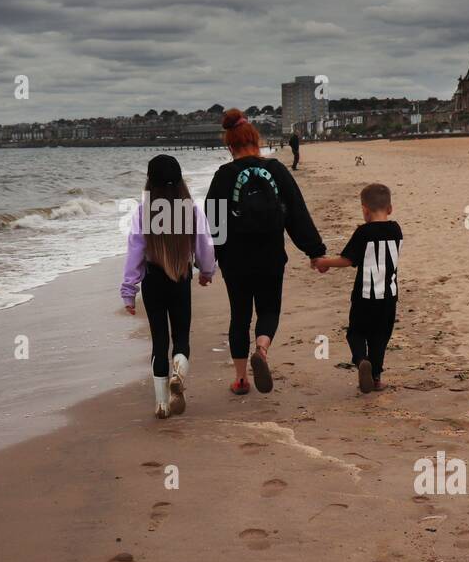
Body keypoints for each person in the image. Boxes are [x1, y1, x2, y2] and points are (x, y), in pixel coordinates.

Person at [205, 109, 325, 396]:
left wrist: (211, 261)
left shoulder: (223, 176)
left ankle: (241, 379)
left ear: (229, 145)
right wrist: (314, 251)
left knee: (240, 316)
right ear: (255, 140)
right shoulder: (276, 170)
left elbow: (213, 222)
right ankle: (262, 348)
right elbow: (297, 212)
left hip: (236, 261)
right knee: (269, 309)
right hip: (271, 256)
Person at [120, 154, 217, 419]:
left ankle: (162, 404)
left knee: (159, 341)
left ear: (150, 181)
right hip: (181, 279)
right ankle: (179, 371)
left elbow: (134, 252)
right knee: (181, 338)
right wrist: (206, 271)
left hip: (153, 280)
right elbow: (205, 245)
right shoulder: (191, 209)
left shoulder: (143, 211)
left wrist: (129, 291)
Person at [312, 183, 403, 394]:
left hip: (364, 296)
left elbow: (347, 260)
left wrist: (324, 262)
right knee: (380, 337)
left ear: (365, 210)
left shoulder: (363, 233)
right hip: (389, 297)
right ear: (390, 208)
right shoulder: (396, 230)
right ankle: (376, 378)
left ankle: (362, 359)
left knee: (356, 333)